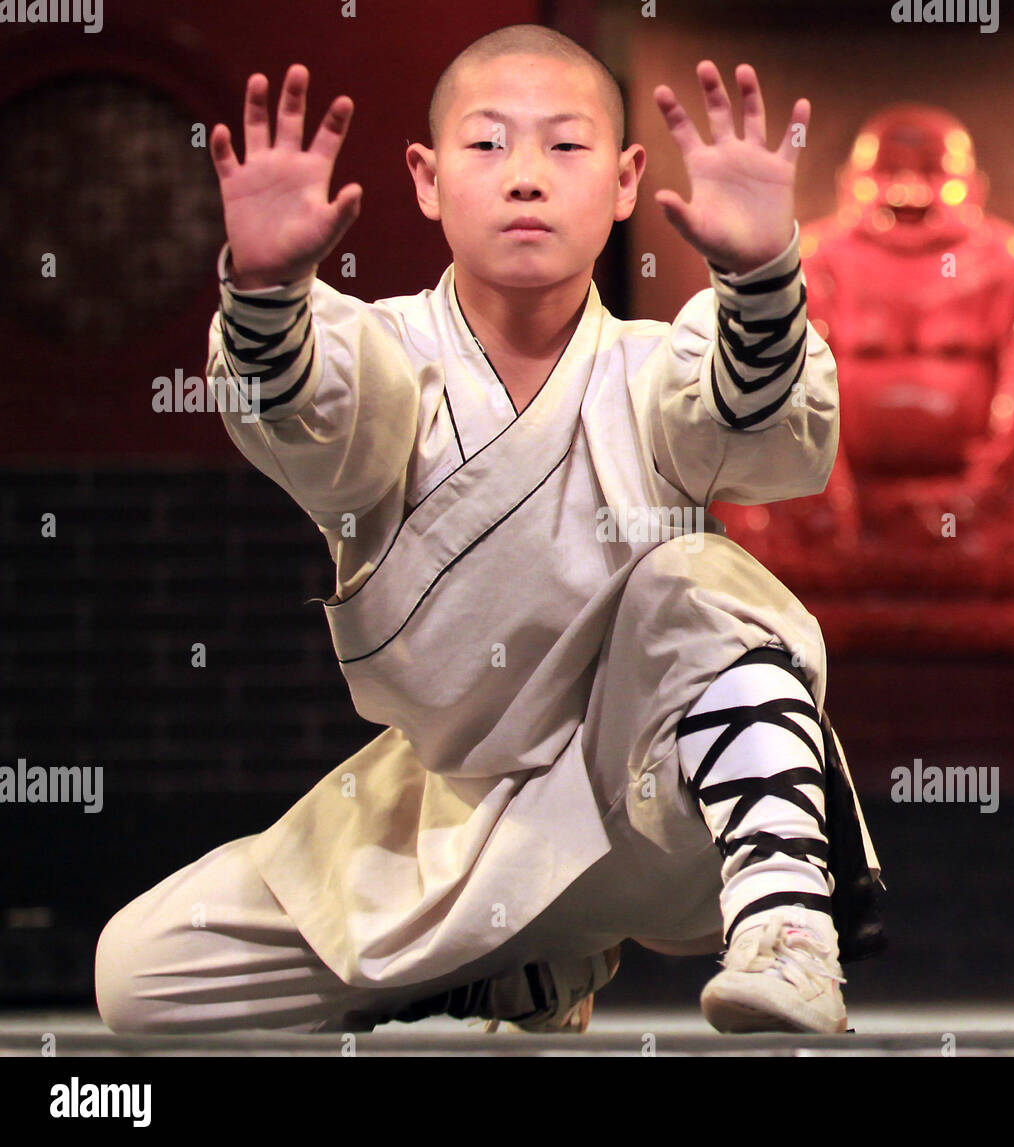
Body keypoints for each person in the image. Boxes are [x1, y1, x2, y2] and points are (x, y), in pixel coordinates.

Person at [94, 23, 883, 1037]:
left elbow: (763, 434)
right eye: (487, 143)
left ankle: (788, 930)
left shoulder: (660, 367)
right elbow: (310, 417)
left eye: (565, 145)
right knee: (142, 977)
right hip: (449, 812)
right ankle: (520, 971)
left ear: (626, 180)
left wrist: (763, 284)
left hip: (646, 802)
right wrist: (265, 298)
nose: (525, 176)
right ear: (426, 179)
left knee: (699, 580)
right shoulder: (380, 352)